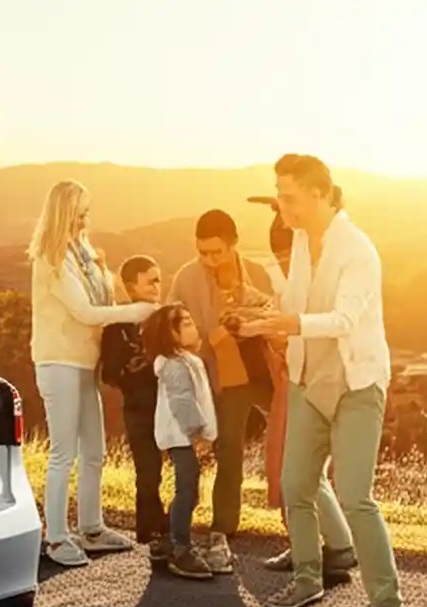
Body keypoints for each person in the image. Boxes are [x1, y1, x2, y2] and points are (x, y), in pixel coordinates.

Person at [240, 153, 406, 607]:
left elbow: (345, 320)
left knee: (356, 497)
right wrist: (266, 314)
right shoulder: (298, 239)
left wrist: (292, 324)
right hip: (308, 380)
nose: (282, 205)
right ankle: (308, 578)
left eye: (288, 196)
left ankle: (388, 605)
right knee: (296, 485)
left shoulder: (357, 248)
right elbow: (296, 303)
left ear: (318, 194)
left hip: (356, 385)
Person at [29, 180, 158, 567]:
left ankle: (92, 527)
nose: (87, 218)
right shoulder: (50, 259)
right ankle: (55, 537)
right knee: (64, 453)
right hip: (59, 363)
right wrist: (137, 312)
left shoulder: (83, 253)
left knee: (94, 453)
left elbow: (105, 303)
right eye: (81, 211)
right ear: (65, 212)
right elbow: (85, 312)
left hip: (86, 364)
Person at [248, 194, 357, 575]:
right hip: (303, 376)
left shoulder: (319, 274)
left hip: (307, 379)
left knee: (293, 467)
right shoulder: (308, 269)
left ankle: (326, 547)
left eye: (284, 253)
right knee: (300, 468)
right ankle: (324, 546)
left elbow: (302, 326)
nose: (282, 260)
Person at [164, 209, 276, 574]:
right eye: (203, 253)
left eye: (216, 252)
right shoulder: (186, 278)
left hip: (264, 372)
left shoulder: (258, 273)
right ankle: (222, 531)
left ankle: (308, 531)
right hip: (224, 377)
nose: (210, 260)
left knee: (295, 443)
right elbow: (171, 330)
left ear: (233, 245)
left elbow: (276, 318)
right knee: (229, 449)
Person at [141, 303, 218, 579]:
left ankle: (168, 542)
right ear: (168, 333)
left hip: (186, 436)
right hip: (183, 437)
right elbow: (183, 402)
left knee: (186, 490)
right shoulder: (173, 365)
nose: (192, 325)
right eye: (183, 323)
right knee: (188, 491)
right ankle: (180, 547)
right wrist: (197, 435)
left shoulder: (185, 359)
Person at [100, 255, 169, 555]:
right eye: (150, 281)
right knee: (147, 466)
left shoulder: (162, 318)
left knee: (167, 462)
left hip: (166, 403)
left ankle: (163, 520)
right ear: (131, 286)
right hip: (139, 406)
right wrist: (138, 369)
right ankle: (147, 525)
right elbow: (111, 371)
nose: (157, 286)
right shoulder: (117, 326)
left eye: (159, 279)